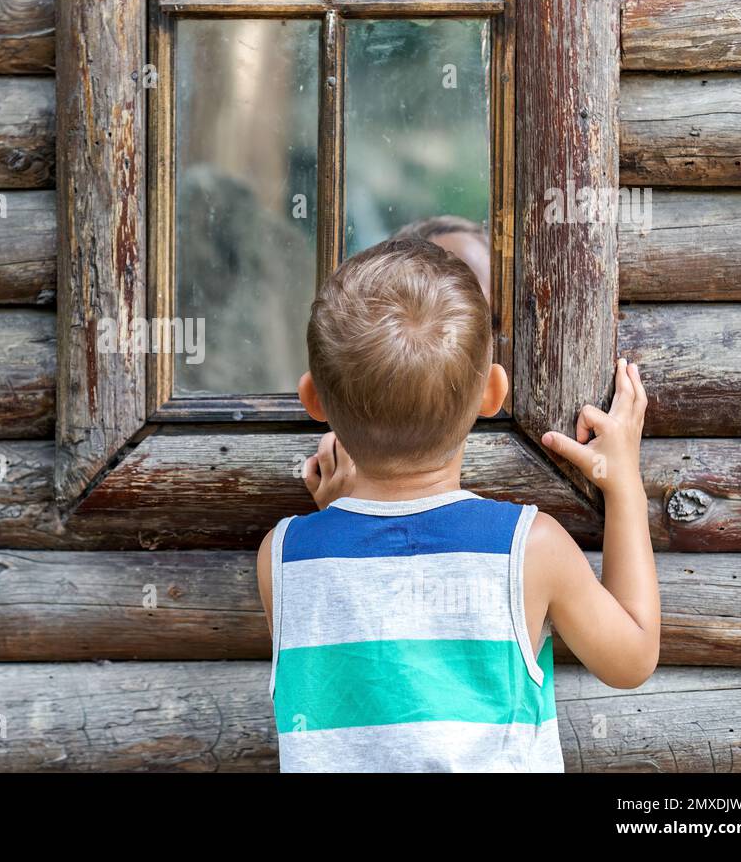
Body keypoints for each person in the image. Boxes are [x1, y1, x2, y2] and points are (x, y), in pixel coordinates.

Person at [256, 238, 660, 772]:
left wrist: (341, 509)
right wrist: (623, 480)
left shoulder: (282, 558)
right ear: (493, 394)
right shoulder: (528, 548)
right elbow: (631, 659)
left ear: (312, 400)